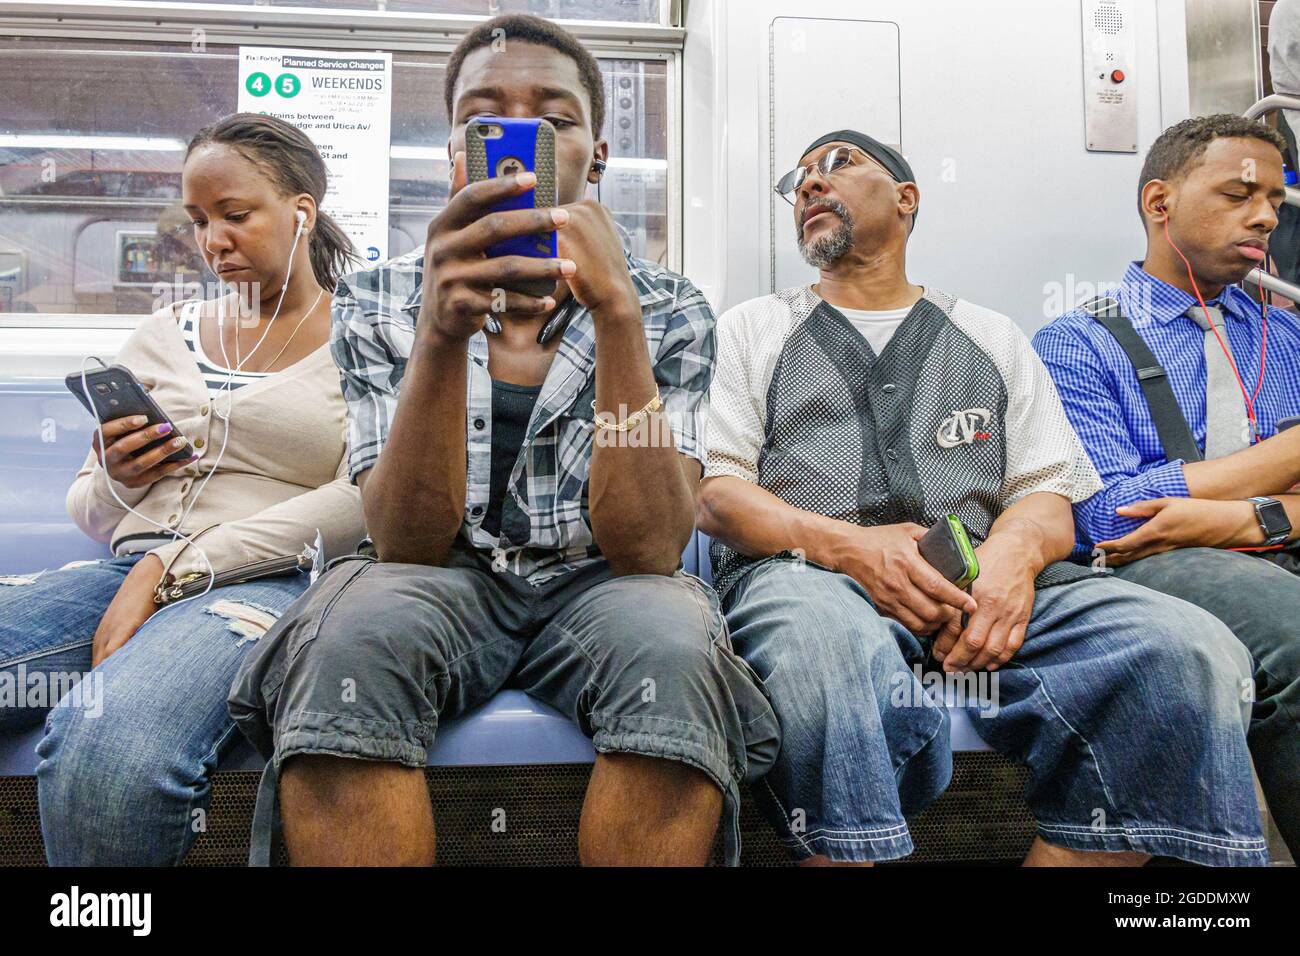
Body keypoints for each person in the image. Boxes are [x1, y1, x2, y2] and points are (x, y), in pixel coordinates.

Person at [228, 14, 778, 867]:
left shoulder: (671, 305)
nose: (521, 147)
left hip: (601, 581)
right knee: (349, 637)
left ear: (596, 156)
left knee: (675, 646)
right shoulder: (381, 296)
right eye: (487, 122)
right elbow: (407, 541)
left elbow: (649, 550)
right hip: (441, 576)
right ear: (455, 156)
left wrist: (618, 314)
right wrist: (442, 335)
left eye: (554, 119)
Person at [698, 128, 1267, 866]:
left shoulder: (990, 335)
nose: (809, 184)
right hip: (811, 577)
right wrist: (846, 546)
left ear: (907, 199)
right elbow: (721, 498)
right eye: (798, 179)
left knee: (1187, 651)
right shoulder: (753, 328)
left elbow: (1047, 493)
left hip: (980, 581)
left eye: (836, 164)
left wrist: (1012, 559)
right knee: (825, 655)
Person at [0, 112, 365, 865]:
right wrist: (116, 473)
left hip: (261, 584)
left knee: (108, 750)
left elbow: (362, 502)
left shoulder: (365, 339)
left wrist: (176, 566)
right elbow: (91, 512)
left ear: (302, 212)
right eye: (200, 220)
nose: (212, 240)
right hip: (123, 569)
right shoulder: (166, 331)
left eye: (235, 215)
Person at [1033, 114, 1300, 856]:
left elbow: (1170, 503)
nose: (1265, 216)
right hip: (1146, 569)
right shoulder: (1078, 341)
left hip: (1266, 549)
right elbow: (1117, 516)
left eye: (1277, 200)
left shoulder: (1289, 339)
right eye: (1239, 193)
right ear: (1160, 202)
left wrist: (1236, 520)